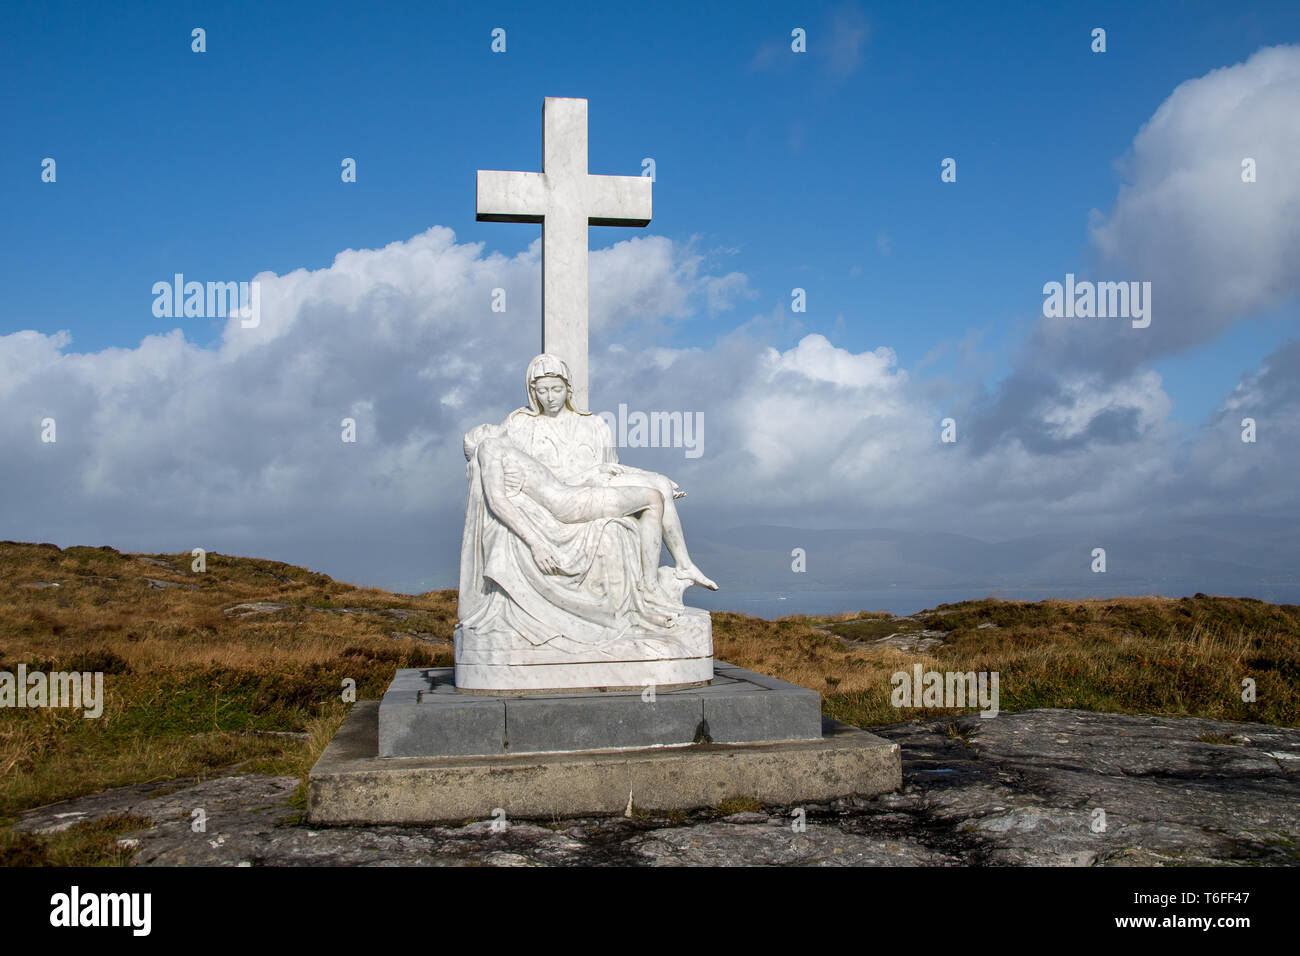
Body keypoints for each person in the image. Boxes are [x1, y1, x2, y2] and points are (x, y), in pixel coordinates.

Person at [502, 353, 716, 592]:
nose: (550, 398)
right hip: (573, 493)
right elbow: (538, 481)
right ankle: (653, 583)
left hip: (599, 481)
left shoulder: (592, 424)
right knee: (653, 495)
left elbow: (613, 466)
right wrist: (586, 477)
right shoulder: (522, 425)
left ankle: (684, 564)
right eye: (542, 391)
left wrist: (653, 475)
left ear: (567, 388)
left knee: (661, 486)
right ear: (533, 392)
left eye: (556, 389)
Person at [464, 424, 678, 626]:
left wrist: (589, 474)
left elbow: (553, 483)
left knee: (652, 495)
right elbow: (496, 500)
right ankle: (650, 587)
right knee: (653, 499)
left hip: (571, 496)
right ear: (479, 441)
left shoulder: (508, 450)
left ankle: (655, 583)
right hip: (569, 504)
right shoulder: (489, 446)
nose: (487, 426)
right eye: (480, 429)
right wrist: (536, 544)